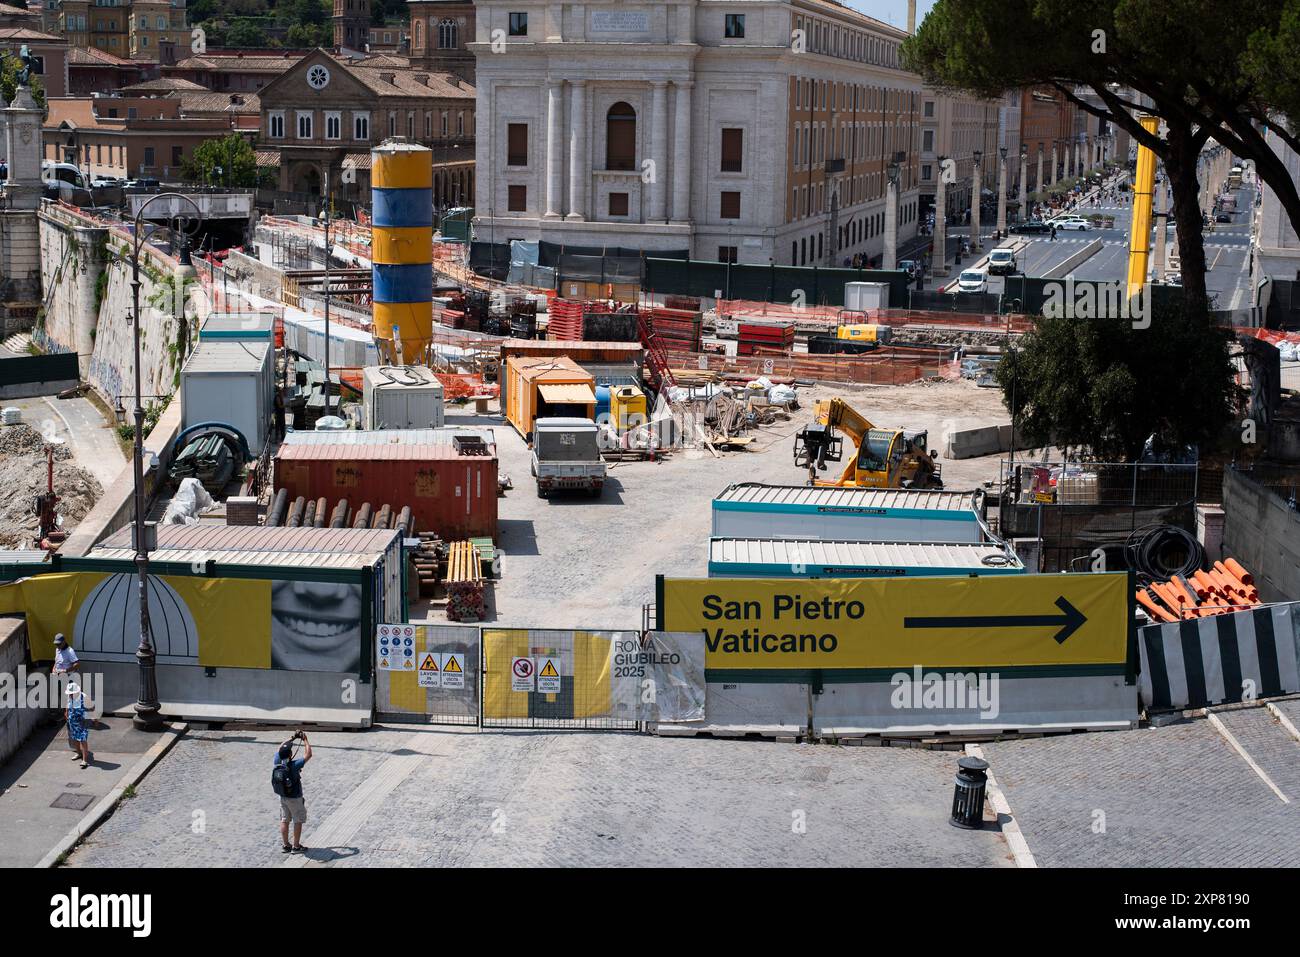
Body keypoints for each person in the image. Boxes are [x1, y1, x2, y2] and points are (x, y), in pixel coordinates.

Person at [273, 732, 312, 853]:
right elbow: (308, 754)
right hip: (294, 797)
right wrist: (305, 740)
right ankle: (296, 846)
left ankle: (285, 845)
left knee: (284, 819)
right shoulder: (294, 765)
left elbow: (281, 747)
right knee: (298, 820)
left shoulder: (277, 760)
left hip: (282, 796)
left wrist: (292, 738)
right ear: (290, 755)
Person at [52, 634, 81, 757]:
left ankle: (69, 715)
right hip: (59, 678)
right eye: (56, 644)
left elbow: (76, 664)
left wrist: (65, 671)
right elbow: (56, 662)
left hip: (68, 679)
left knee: (69, 700)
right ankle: (66, 715)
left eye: (59, 643)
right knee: (62, 698)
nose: (58, 645)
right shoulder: (57, 649)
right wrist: (54, 669)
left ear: (64, 642)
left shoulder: (70, 651)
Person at [65, 683, 92, 769]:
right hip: (72, 721)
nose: (70, 695)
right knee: (75, 738)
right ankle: (78, 753)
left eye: (72, 693)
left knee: (83, 739)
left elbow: (92, 707)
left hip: (82, 721)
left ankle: (85, 760)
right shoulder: (69, 696)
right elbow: (68, 706)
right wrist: (66, 714)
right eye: (69, 693)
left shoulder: (84, 697)